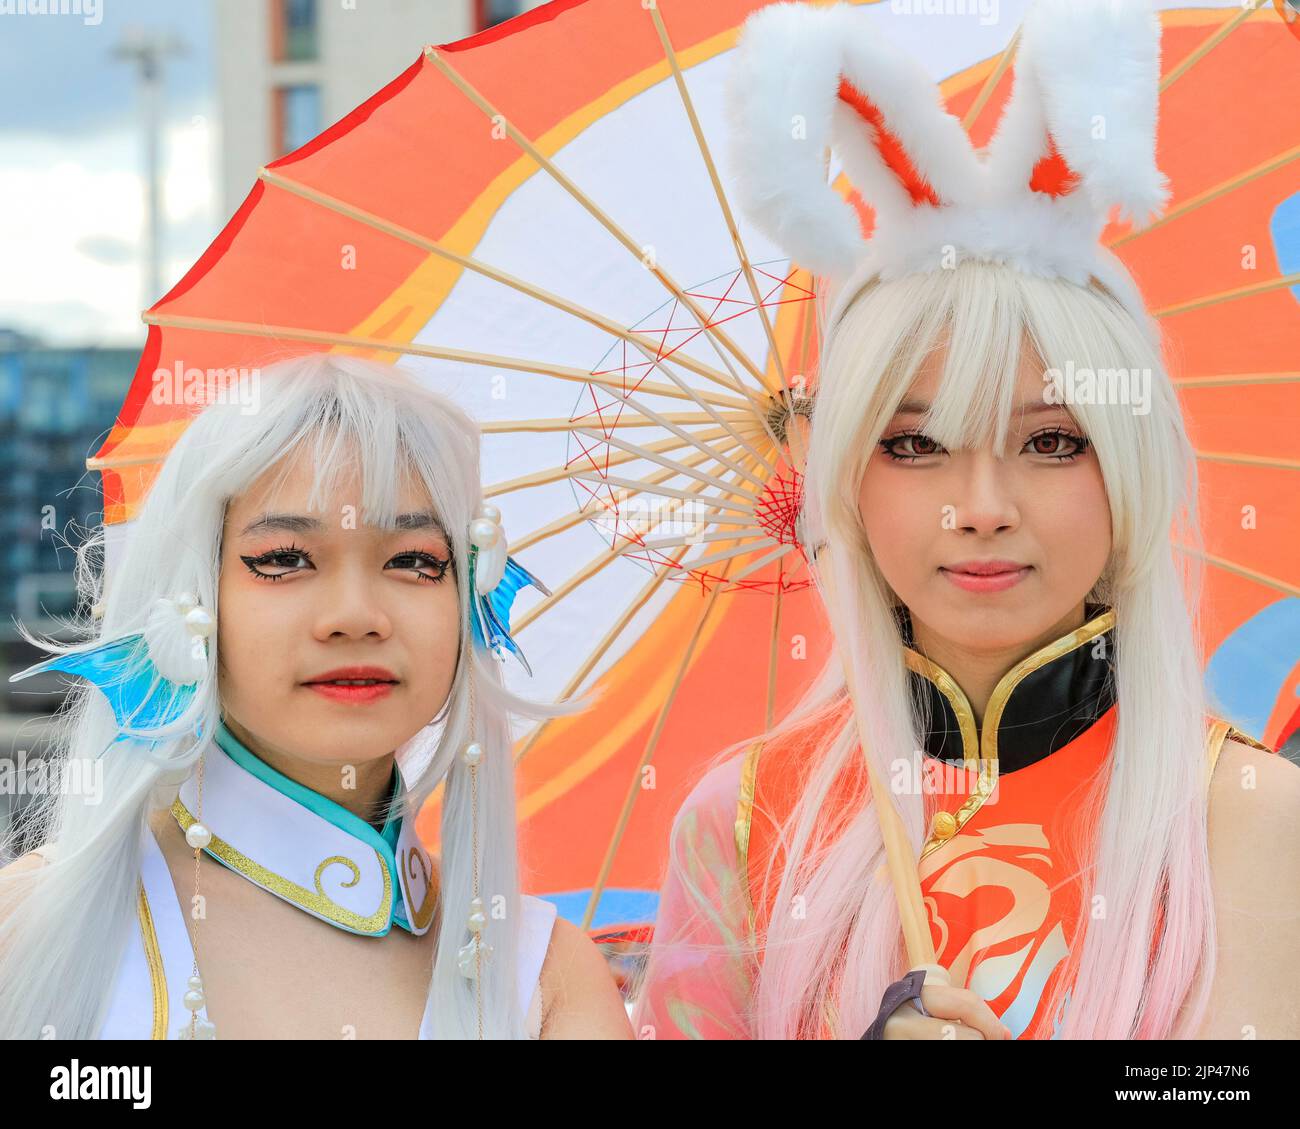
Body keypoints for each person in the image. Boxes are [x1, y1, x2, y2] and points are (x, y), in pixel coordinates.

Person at [630, 0, 1299, 1040]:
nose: (980, 509)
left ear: (1128, 472)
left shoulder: (1249, 812)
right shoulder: (743, 817)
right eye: (914, 446)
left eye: (1049, 443)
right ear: (847, 481)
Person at [0, 354, 633, 1040]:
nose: (356, 615)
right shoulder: (39, 926)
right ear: (194, 595)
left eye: (414, 560)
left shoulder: (548, 977)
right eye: (283, 560)